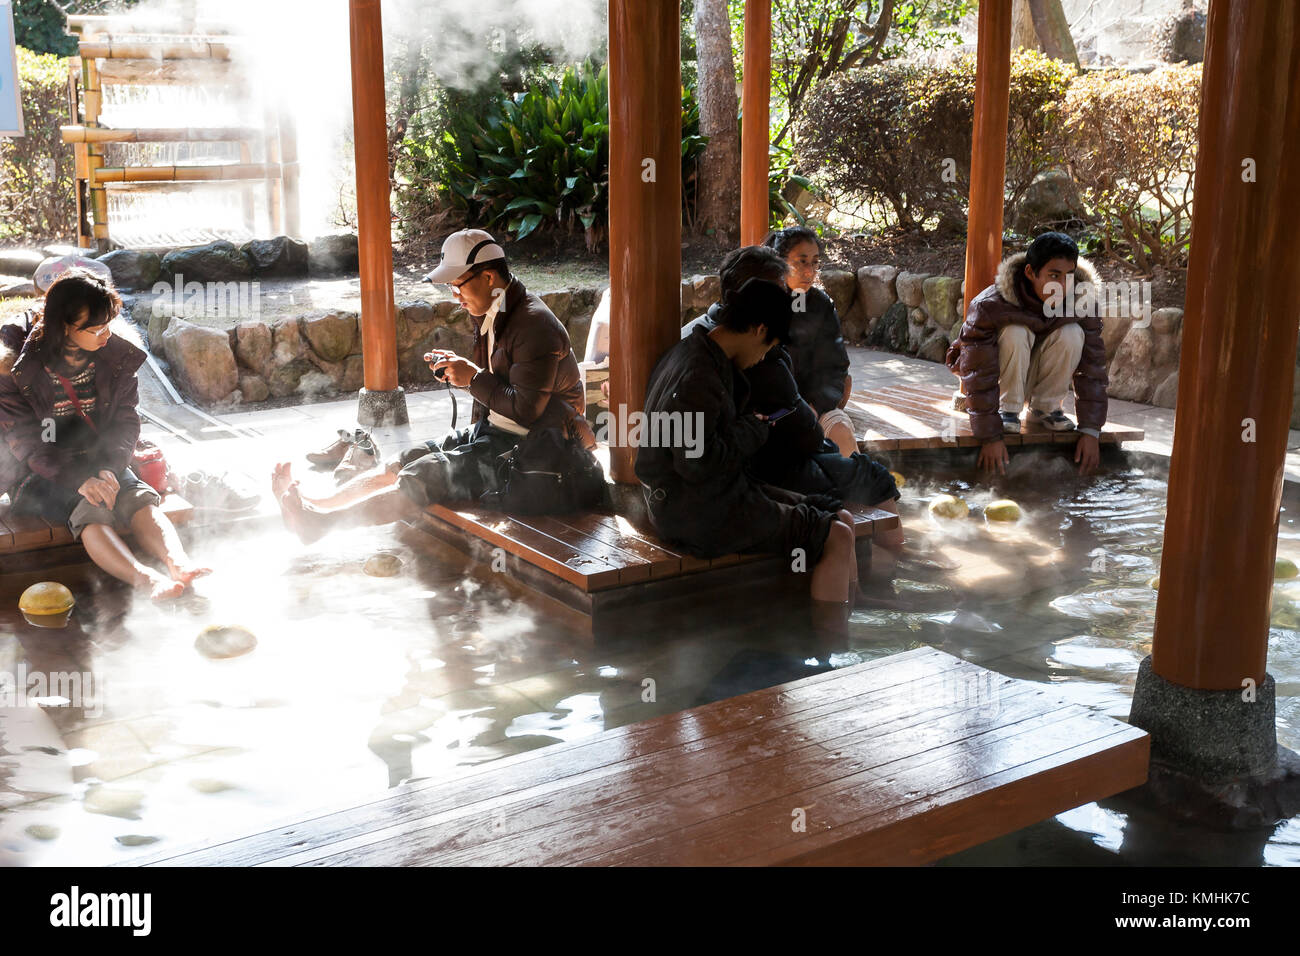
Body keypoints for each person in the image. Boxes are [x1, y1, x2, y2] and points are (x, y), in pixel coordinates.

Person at [273, 229, 593, 540]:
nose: (455, 297)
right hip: (498, 431)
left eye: (457, 286)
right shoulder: (495, 311)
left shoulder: (533, 325)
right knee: (402, 461)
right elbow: (501, 384)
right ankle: (315, 507)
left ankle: (319, 525)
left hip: (539, 450)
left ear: (489, 278)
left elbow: (525, 409)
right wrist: (462, 371)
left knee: (421, 476)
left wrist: (472, 377)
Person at [638, 275, 861, 619]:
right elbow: (696, 463)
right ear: (759, 329)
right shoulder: (699, 376)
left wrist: (746, 428)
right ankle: (833, 643)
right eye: (769, 347)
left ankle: (854, 605)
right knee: (835, 537)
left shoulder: (696, 351)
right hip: (692, 511)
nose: (764, 358)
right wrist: (753, 430)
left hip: (702, 495)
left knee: (841, 517)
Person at [0, 269, 208, 600]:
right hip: (37, 470)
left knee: (137, 498)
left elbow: (126, 420)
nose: (106, 335)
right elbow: (26, 440)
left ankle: (178, 564)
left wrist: (110, 466)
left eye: (109, 324)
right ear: (65, 326)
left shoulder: (115, 357)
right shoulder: (15, 366)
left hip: (98, 457)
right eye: (96, 328)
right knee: (89, 506)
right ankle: (148, 580)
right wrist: (79, 479)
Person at [682, 246, 903, 550]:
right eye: (779, 292)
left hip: (765, 456)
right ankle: (890, 565)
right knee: (869, 477)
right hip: (770, 464)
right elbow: (794, 426)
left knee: (846, 456)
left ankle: (879, 567)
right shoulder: (753, 349)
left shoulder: (707, 331)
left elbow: (831, 373)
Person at [945, 232, 1107, 476]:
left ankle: (1046, 408)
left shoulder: (1082, 303)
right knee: (1016, 331)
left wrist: (1091, 430)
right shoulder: (990, 304)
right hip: (998, 383)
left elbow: (1092, 370)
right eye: (1054, 275)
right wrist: (990, 436)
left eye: (1069, 276)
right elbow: (979, 373)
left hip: (1035, 378)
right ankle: (1007, 410)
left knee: (1072, 332)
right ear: (1031, 273)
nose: (1061, 285)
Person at [763, 226, 856, 457]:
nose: (809, 271)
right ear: (779, 262)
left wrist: (814, 407)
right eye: (801, 262)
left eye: (814, 262)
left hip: (812, 406)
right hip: (766, 411)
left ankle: (859, 488)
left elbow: (835, 368)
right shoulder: (760, 302)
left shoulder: (821, 305)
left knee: (841, 429)